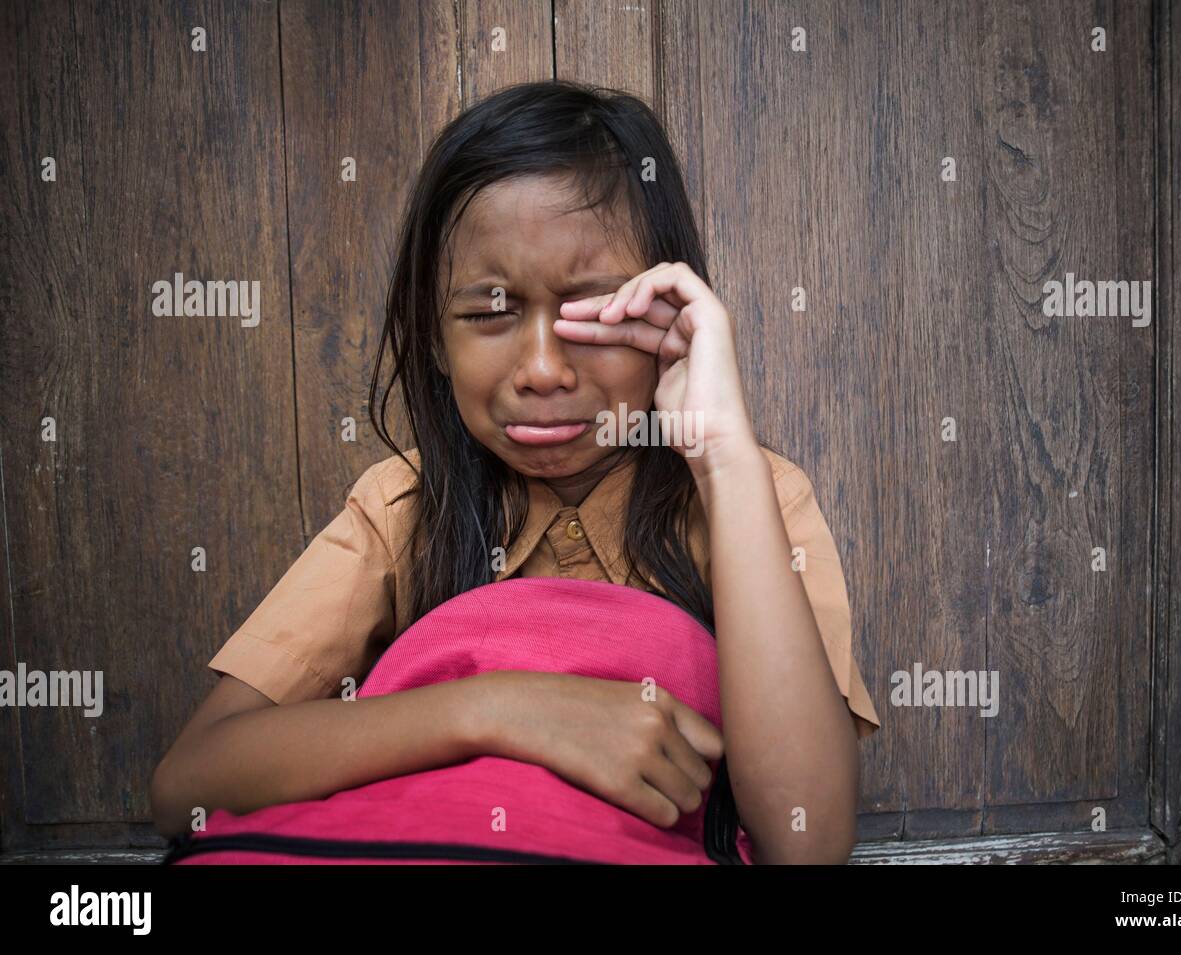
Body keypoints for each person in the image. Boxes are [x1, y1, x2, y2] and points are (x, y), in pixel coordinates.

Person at [150, 79, 880, 865]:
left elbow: (808, 844)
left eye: (592, 309)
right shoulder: (401, 510)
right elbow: (186, 783)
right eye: (490, 312)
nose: (540, 368)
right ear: (433, 338)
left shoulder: (748, 497)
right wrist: (502, 709)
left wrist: (724, 455)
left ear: (670, 312)